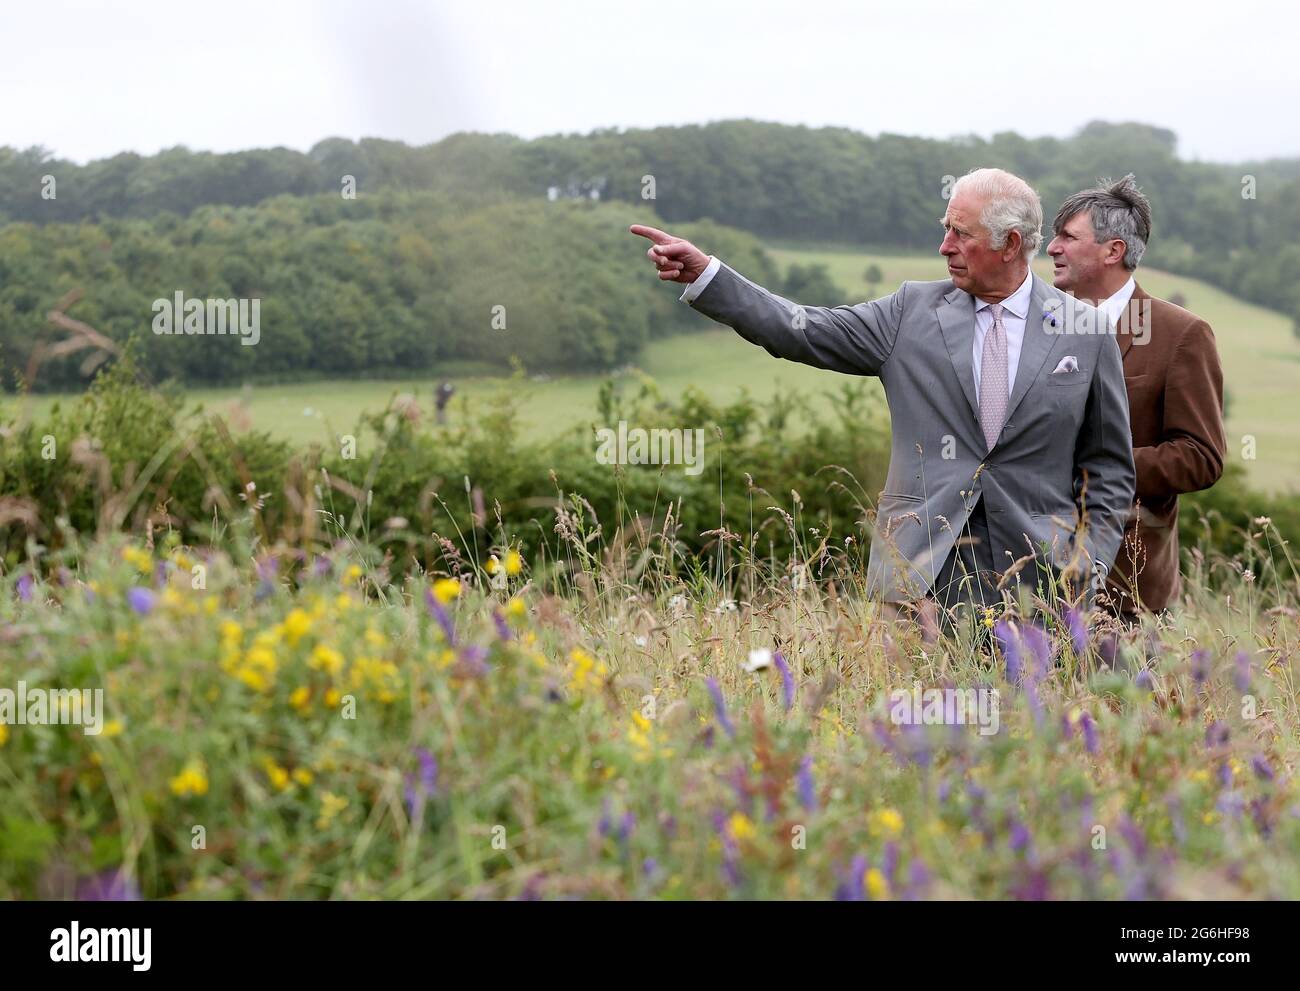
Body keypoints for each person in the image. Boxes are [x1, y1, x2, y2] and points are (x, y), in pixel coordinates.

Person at [631, 168, 1134, 621]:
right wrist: (709, 277)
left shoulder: (1084, 331)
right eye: (946, 227)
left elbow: (1109, 470)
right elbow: (800, 329)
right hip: (917, 583)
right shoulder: (908, 313)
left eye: (961, 233)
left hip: (1040, 594)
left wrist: (1084, 567)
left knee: (1030, 725)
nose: (944, 245)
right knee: (908, 722)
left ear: (1010, 243)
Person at [1047, 175, 1226, 621]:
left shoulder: (1181, 335)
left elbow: (1200, 457)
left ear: (1113, 251)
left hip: (1127, 588)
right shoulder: (1039, 323)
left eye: (1068, 236)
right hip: (1028, 581)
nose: (1051, 247)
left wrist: (1096, 468)